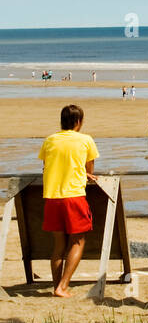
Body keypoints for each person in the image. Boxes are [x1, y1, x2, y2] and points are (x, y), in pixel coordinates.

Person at [38, 104, 99, 298]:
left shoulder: (50, 140)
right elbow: (90, 167)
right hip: (73, 196)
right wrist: (87, 173)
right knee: (78, 241)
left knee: (58, 244)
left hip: (52, 197)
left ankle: (58, 284)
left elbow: (46, 164)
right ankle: (62, 286)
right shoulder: (85, 140)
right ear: (78, 122)